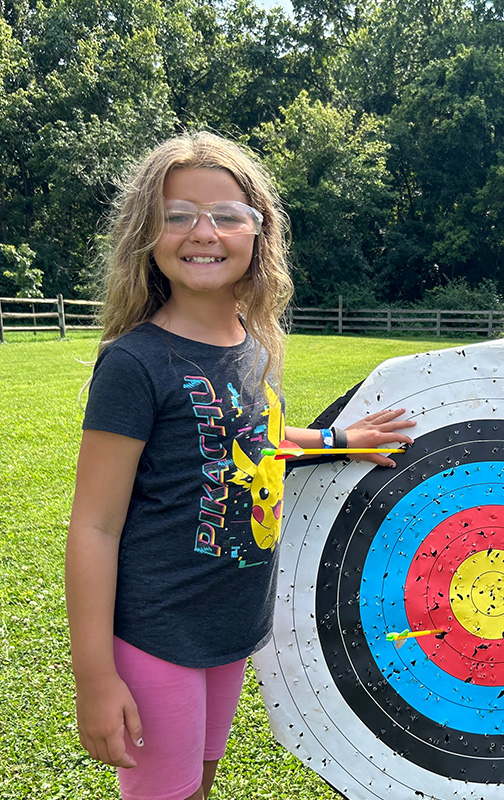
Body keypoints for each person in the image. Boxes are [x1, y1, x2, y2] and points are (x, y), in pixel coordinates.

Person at [64, 131, 415, 800]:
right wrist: (94, 676)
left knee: (199, 784)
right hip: (155, 632)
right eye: (178, 215)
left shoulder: (251, 345)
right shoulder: (134, 365)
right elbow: (94, 526)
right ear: (147, 232)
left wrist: (336, 438)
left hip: (230, 626)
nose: (204, 232)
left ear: (258, 232)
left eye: (227, 215)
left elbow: (254, 438)